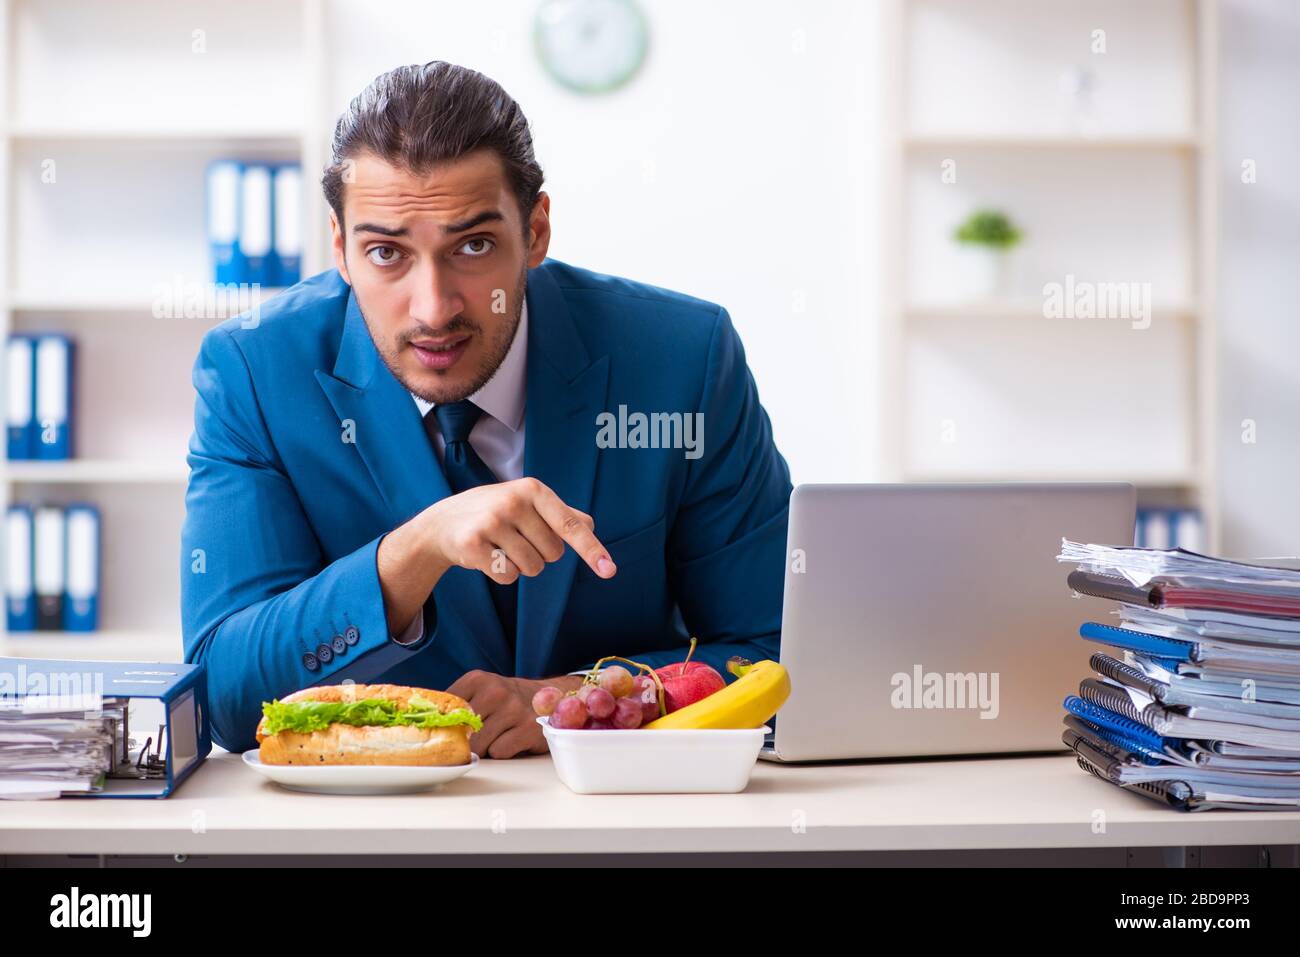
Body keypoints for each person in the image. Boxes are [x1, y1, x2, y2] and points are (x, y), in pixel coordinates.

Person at [181, 61, 792, 757]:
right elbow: (222, 697)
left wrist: (574, 702)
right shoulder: (254, 372)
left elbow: (769, 655)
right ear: (341, 251)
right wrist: (416, 548)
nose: (434, 308)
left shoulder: (683, 359)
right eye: (387, 253)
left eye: (472, 245)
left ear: (535, 232)